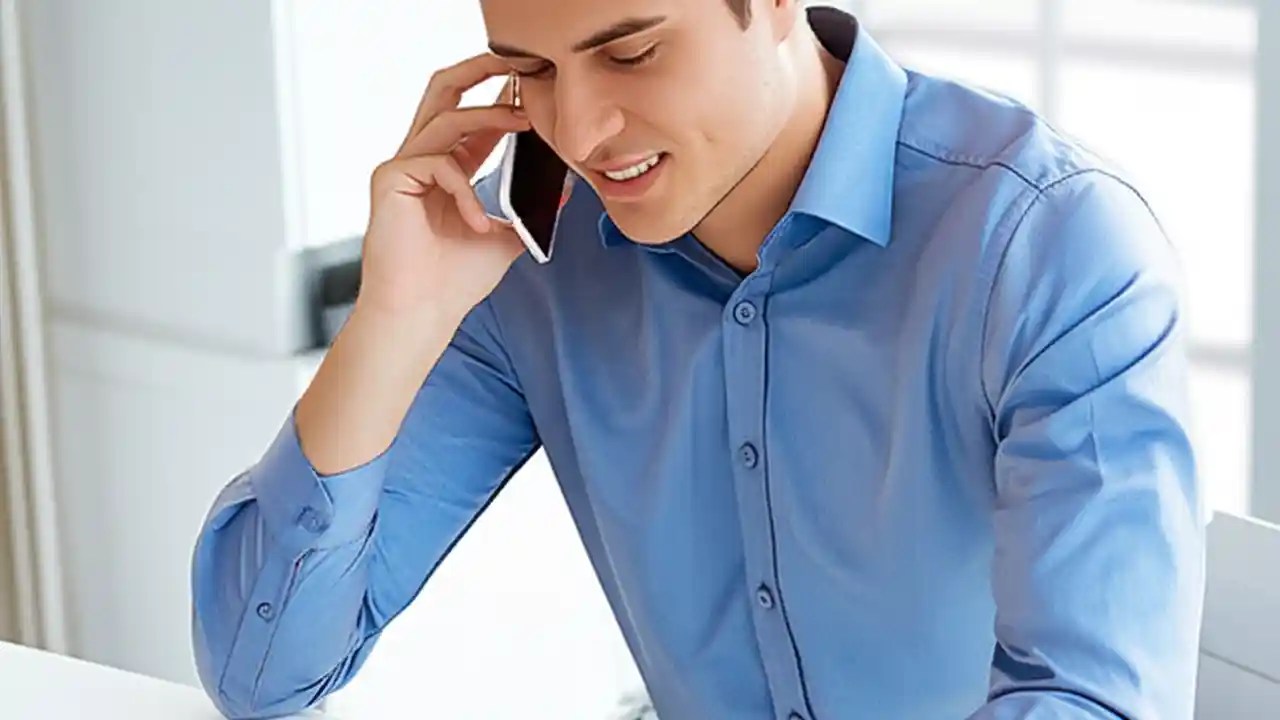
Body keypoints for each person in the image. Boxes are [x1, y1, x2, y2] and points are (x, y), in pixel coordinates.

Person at [190, 1, 1206, 718]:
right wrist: (395, 319)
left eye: (628, 53)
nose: (577, 131)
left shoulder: (1046, 244)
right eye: (531, 70)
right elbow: (262, 670)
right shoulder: (532, 265)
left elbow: (1089, 702)